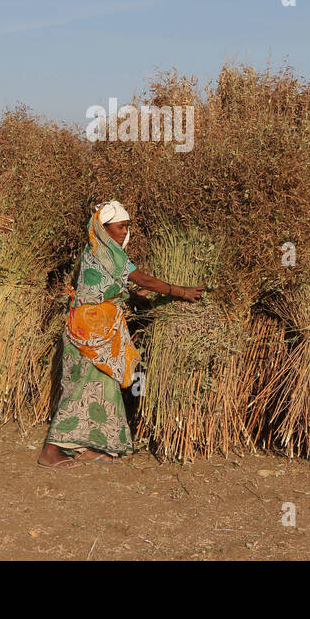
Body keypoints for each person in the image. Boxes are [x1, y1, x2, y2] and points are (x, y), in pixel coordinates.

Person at [37, 200, 204, 469]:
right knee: (78, 389)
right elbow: (145, 280)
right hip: (89, 333)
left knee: (103, 387)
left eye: (128, 227)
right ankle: (50, 451)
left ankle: (94, 447)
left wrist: (130, 295)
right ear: (104, 228)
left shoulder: (95, 251)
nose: (125, 232)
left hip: (91, 329)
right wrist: (182, 291)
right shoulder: (110, 254)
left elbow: (100, 286)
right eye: (120, 226)